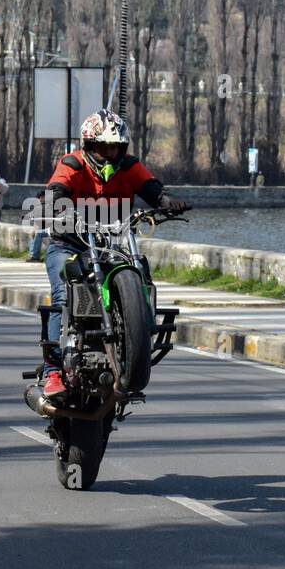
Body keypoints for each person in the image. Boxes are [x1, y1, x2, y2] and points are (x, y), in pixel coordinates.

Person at [37, 109, 189, 402]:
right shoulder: (73, 163)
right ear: (91, 146)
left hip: (112, 244)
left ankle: (135, 338)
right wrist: (52, 201)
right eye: (105, 147)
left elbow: (152, 189)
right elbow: (57, 187)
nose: (111, 154)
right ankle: (52, 371)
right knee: (61, 295)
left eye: (116, 147)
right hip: (70, 244)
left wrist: (167, 202)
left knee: (140, 270)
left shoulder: (129, 166)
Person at [25, 188, 48, 262]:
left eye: (42, 197)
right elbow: (35, 221)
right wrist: (34, 229)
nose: (40, 199)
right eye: (39, 197)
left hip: (52, 229)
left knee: (38, 234)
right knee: (34, 234)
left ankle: (35, 256)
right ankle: (33, 255)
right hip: (44, 229)